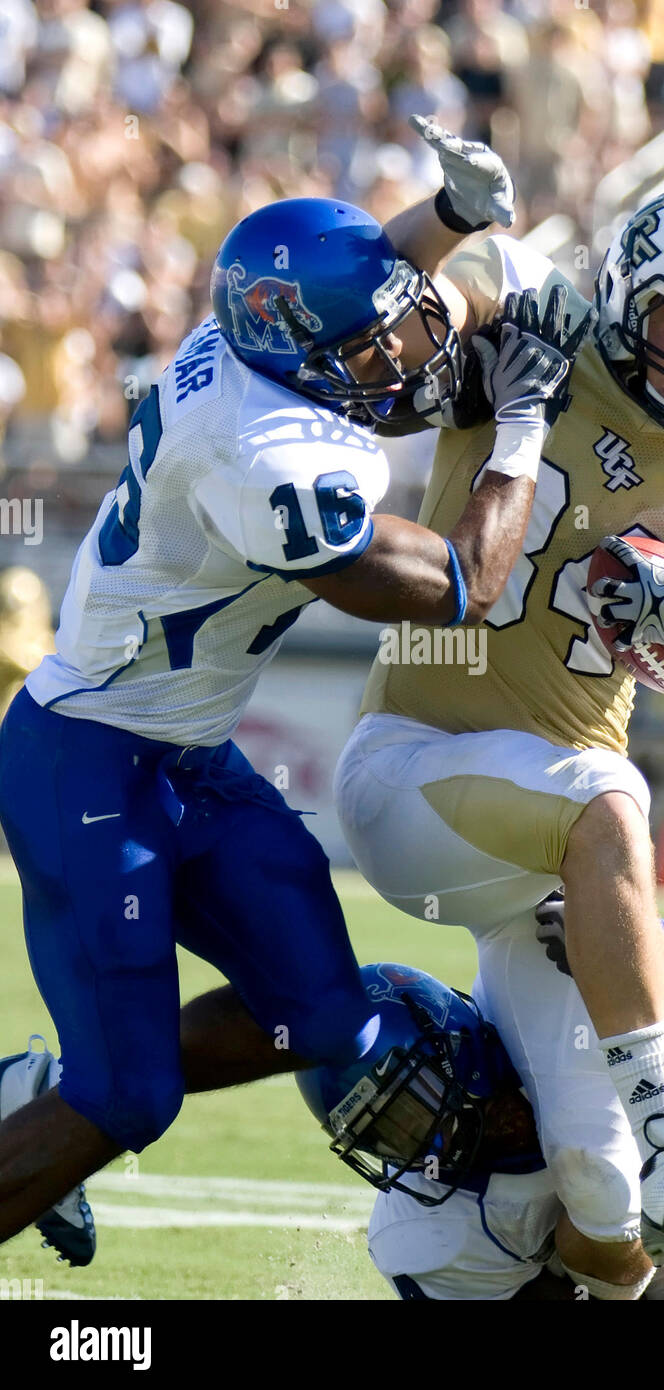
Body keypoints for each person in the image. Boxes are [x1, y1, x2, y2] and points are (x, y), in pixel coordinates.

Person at [0, 122, 576, 1266]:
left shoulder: (251, 329)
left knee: (322, 1018)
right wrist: (524, 422)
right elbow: (461, 583)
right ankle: (69, 1106)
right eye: (374, 351)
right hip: (89, 762)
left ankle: (37, 1090)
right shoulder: (266, 455)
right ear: (306, 359)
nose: (405, 356)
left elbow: (348, 288)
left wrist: (447, 218)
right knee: (131, 1102)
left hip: (190, 757)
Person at [332, 180, 664, 1277]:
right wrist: (452, 263)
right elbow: (399, 318)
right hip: (413, 780)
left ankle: (645, 1170)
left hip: (565, 869)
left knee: (606, 1202)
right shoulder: (536, 322)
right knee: (609, 796)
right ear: (623, 295)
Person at [296, 926, 664, 1302]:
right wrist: (608, 1247)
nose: (429, 1151)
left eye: (416, 1113)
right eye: (391, 1141)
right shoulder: (429, 1239)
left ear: (458, 1048)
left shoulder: (550, 1018)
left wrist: (647, 939)